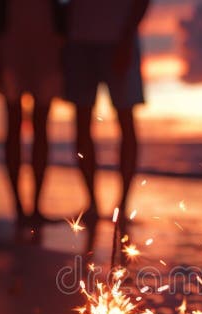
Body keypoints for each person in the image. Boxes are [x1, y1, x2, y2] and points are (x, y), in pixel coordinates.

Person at [62, 0, 150, 222]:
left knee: (125, 119)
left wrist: (127, 35)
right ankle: (92, 203)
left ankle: (123, 204)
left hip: (119, 37)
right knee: (83, 122)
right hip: (78, 39)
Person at [0, 0, 66, 228]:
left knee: (41, 125)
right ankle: (20, 207)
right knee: (14, 121)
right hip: (10, 36)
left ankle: (36, 207)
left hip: (46, 37)